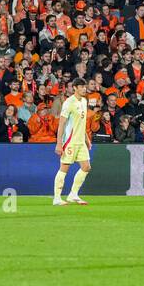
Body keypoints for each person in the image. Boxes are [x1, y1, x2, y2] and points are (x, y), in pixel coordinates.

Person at [52, 78, 91, 207]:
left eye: (85, 87)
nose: (84, 89)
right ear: (75, 88)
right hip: (70, 141)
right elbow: (62, 123)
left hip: (81, 141)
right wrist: (59, 143)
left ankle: (73, 194)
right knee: (64, 168)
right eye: (81, 87)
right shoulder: (69, 103)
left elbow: (82, 123)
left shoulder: (84, 101)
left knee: (86, 167)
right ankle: (57, 198)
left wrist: (87, 139)